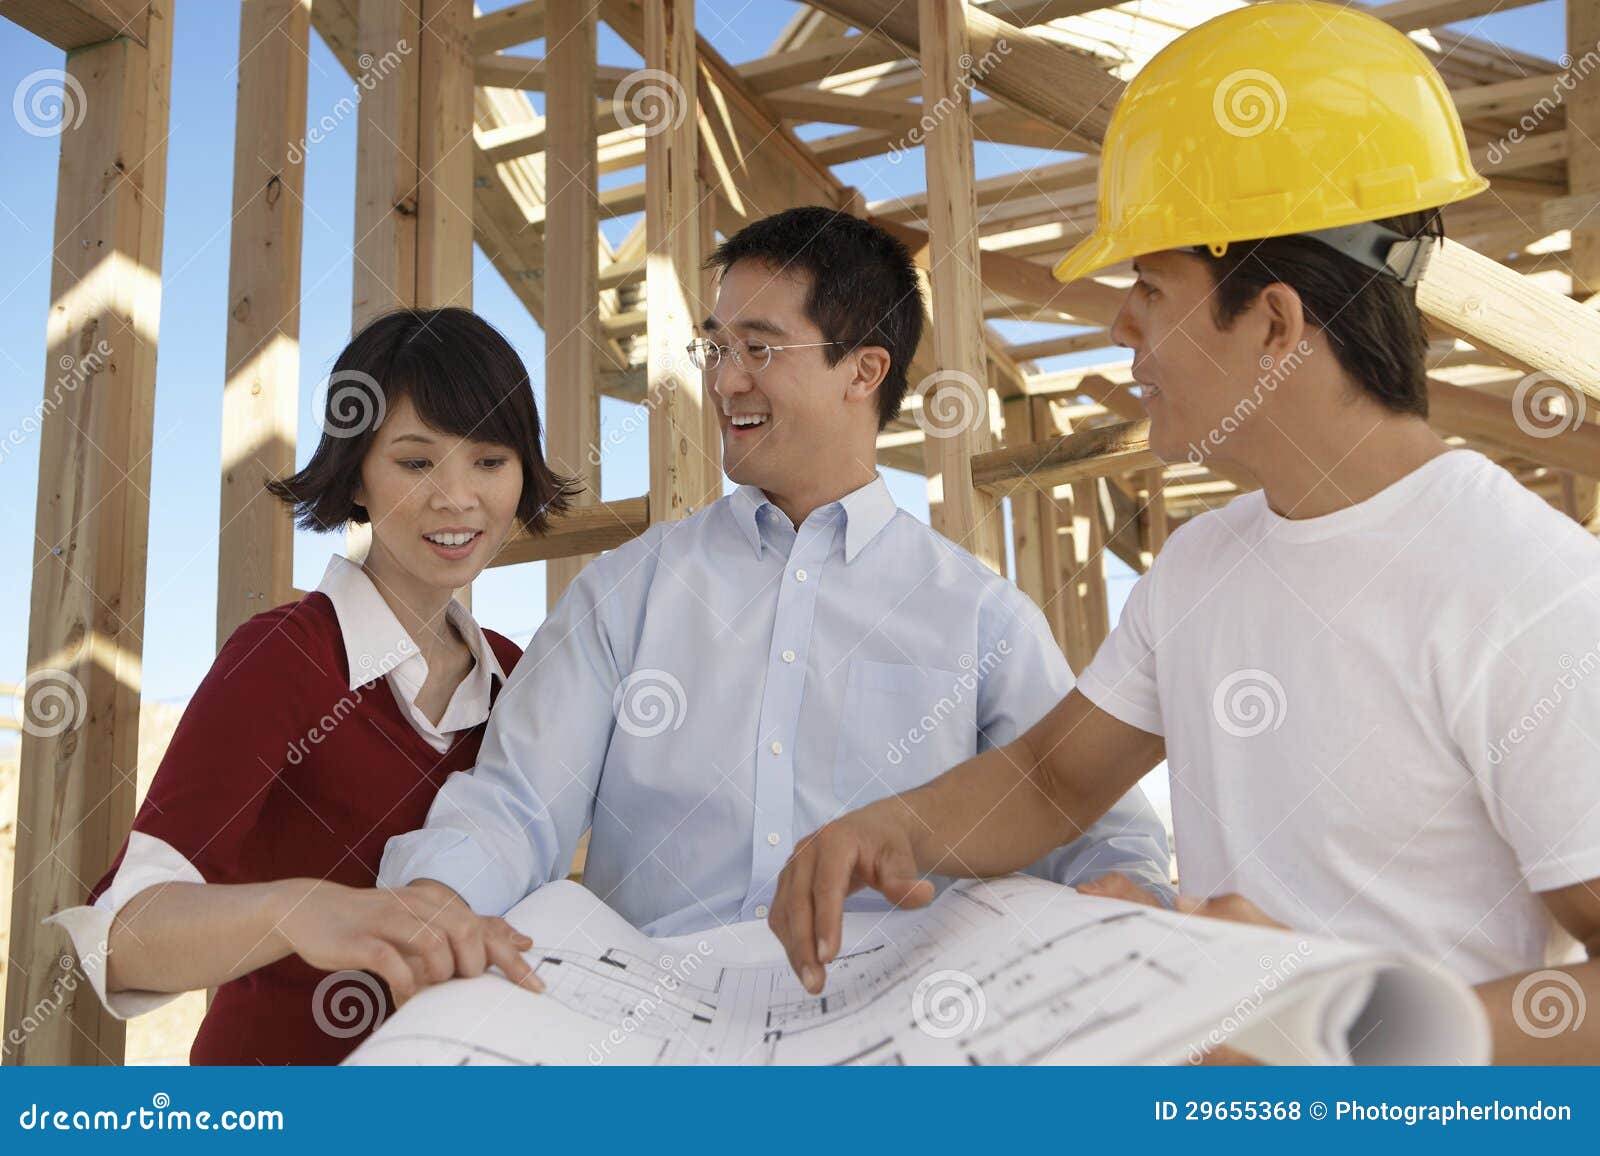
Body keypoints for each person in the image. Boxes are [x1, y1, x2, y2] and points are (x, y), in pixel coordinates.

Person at [765, 2, 1600, 1064]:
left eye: (1150, 288)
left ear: (1274, 326)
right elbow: (1051, 780)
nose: (1120, 325)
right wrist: (896, 826)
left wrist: (1339, 1023)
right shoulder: (1203, 563)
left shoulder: (1529, 588)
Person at [377, 207, 1171, 936]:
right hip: (650, 1046)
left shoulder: (981, 618)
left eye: (758, 349)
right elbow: (517, 806)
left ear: (863, 372)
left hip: (889, 1044)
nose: (724, 381)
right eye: (716, 348)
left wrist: (1126, 893)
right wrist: (438, 902)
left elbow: (1095, 826)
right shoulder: (628, 591)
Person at [47, 307, 574, 1063]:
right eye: (417, 462)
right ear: (355, 475)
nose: (458, 498)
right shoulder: (282, 657)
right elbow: (125, 935)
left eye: (490, 461)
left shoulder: (517, 677)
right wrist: (297, 910)